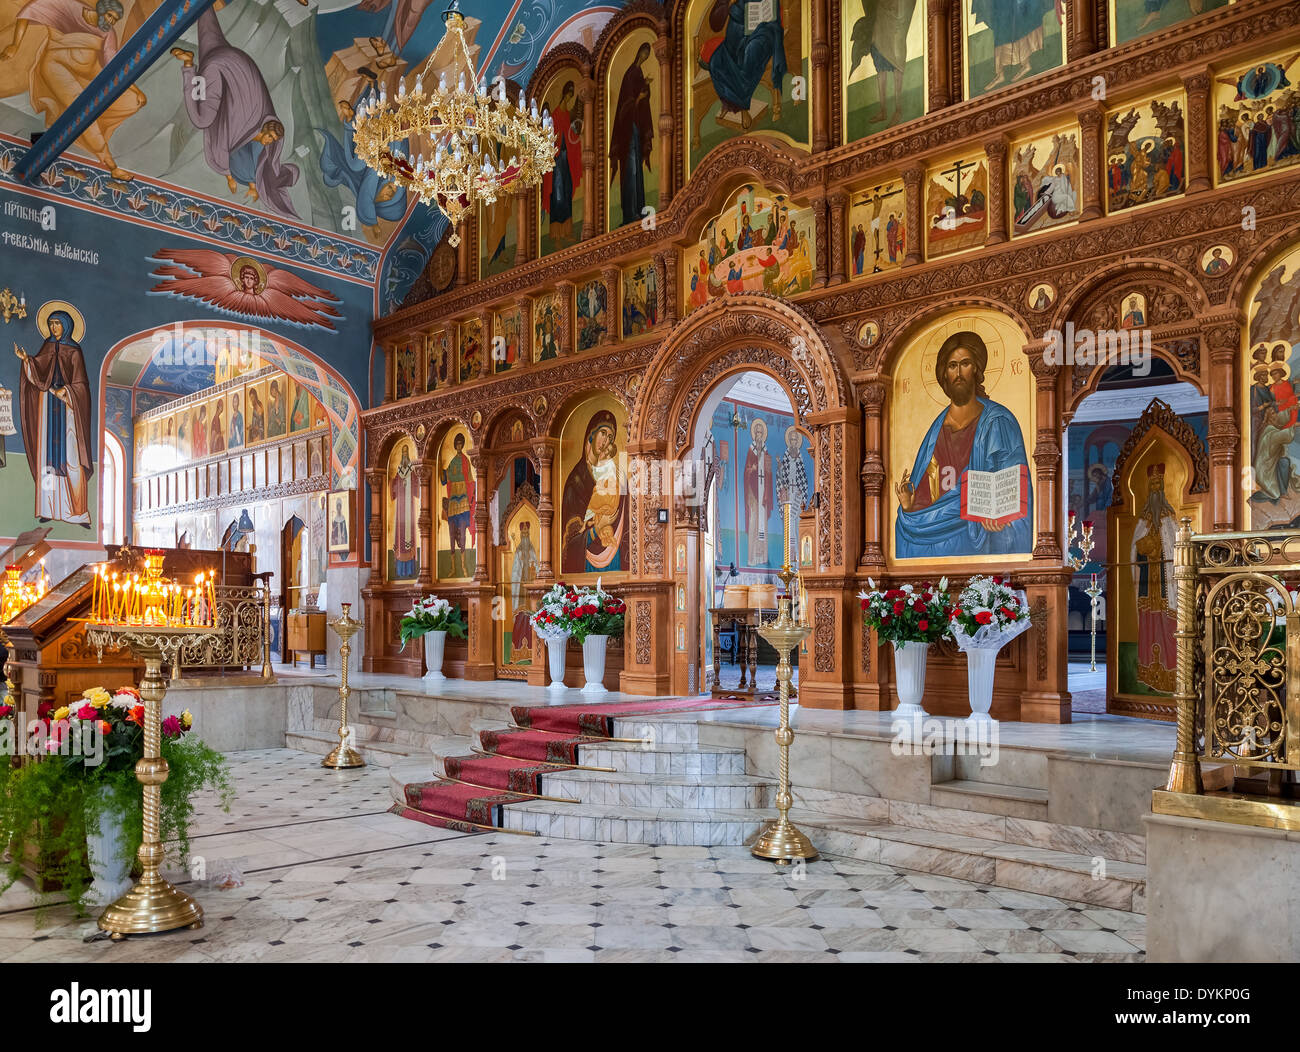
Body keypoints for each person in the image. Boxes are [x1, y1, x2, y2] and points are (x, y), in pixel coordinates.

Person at [895, 331, 1032, 557]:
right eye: (952, 366)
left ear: (976, 369)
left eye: (965, 364)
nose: (958, 373)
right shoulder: (936, 430)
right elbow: (927, 488)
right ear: (944, 374)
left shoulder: (998, 421)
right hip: (937, 535)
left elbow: (1014, 481)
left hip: (979, 532)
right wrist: (909, 506)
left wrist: (998, 511)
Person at [172, 6, 300, 218]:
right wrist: (230, 176)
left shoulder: (262, 118)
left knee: (209, 36)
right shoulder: (246, 124)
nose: (268, 142)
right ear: (267, 129)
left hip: (234, 58)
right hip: (220, 67)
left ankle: (204, 7)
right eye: (270, 137)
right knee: (201, 119)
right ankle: (188, 65)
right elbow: (224, 148)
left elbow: (249, 164)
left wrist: (243, 182)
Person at [0, 0, 144, 181]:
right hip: (56, 67)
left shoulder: (108, 33)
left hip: (84, 77)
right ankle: (111, 165)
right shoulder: (69, 9)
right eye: (110, 16)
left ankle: (61, 136)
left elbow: (112, 65)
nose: (111, 22)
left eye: (115, 19)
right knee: (86, 111)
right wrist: (15, 44)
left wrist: (134, 89)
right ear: (101, 10)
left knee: (129, 100)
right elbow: (32, 10)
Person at [14, 307, 93, 525]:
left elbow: (82, 386)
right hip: (47, 407)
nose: (53, 328)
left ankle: (78, 512)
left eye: (57, 323)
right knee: (46, 460)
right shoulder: (47, 347)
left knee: (72, 459)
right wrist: (26, 360)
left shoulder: (75, 352)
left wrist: (67, 391)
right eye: (50, 324)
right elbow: (38, 374)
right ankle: (48, 508)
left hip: (68, 409)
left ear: (66, 325)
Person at [560, 411, 626, 573]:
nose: (606, 441)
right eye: (603, 433)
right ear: (591, 435)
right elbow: (569, 543)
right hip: (586, 561)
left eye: (610, 437)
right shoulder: (576, 481)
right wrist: (598, 527)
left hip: (613, 555)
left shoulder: (613, 474)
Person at [608, 42, 655, 228]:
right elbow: (626, 105)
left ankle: (640, 210)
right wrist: (639, 98)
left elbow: (640, 96)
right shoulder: (630, 74)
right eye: (643, 53)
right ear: (638, 53)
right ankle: (630, 212)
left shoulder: (639, 73)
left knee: (636, 172)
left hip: (635, 128)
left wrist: (645, 91)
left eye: (647, 55)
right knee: (630, 171)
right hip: (627, 132)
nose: (644, 57)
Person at [541, 81, 583, 246]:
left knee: (566, 193)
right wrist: (556, 139)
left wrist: (576, 134)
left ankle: (566, 232)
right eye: (568, 95)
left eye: (571, 96)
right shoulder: (555, 116)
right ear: (563, 95)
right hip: (556, 162)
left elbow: (571, 136)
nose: (569, 98)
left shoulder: (566, 115)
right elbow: (549, 141)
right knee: (557, 196)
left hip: (566, 161)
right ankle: (556, 236)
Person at [440, 432, 475, 578]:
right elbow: (445, 479)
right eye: (457, 444)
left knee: (462, 531)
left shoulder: (465, 460)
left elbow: (467, 478)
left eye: (461, 444)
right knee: (452, 532)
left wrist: (451, 476)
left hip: (463, 499)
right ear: (455, 446)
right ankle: (454, 568)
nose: (459, 446)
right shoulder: (453, 460)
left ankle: (464, 566)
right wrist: (440, 470)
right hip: (454, 499)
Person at [744, 418, 773, 566]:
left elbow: (769, 474)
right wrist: (752, 470)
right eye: (757, 432)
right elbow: (746, 472)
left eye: (761, 433)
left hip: (763, 493)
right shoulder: (751, 450)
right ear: (754, 434)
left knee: (764, 525)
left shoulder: (766, 452)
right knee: (754, 521)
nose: (759, 435)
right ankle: (751, 557)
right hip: (754, 493)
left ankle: (762, 557)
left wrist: (767, 492)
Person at [509, 521, 538, 662]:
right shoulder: (518, 551)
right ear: (520, 535)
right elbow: (515, 572)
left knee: (531, 618)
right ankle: (517, 652)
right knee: (521, 617)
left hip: (531, 593)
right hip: (521, 592)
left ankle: (533, 652)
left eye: (527, 534)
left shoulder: (532, 551)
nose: (525, 536)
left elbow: (538, 569)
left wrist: (533, 572)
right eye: (523, 534)